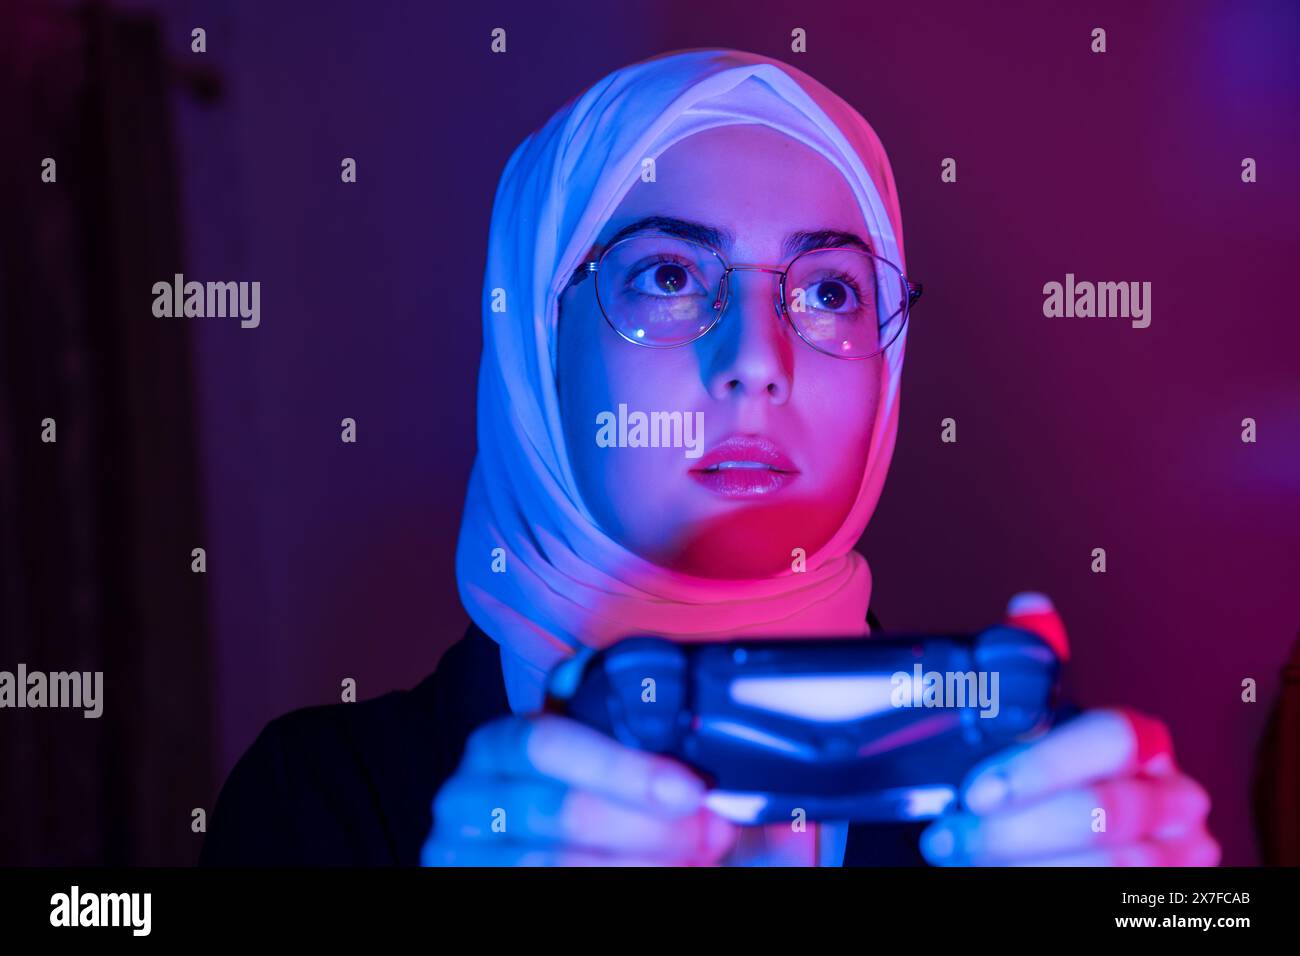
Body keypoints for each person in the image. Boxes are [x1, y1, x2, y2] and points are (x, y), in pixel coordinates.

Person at [200, 48, 1218, 867]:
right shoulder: (317, 801)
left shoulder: (1042, 789)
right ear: (533, 349)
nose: (754, 362)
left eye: (827, 291)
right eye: (669, 274)